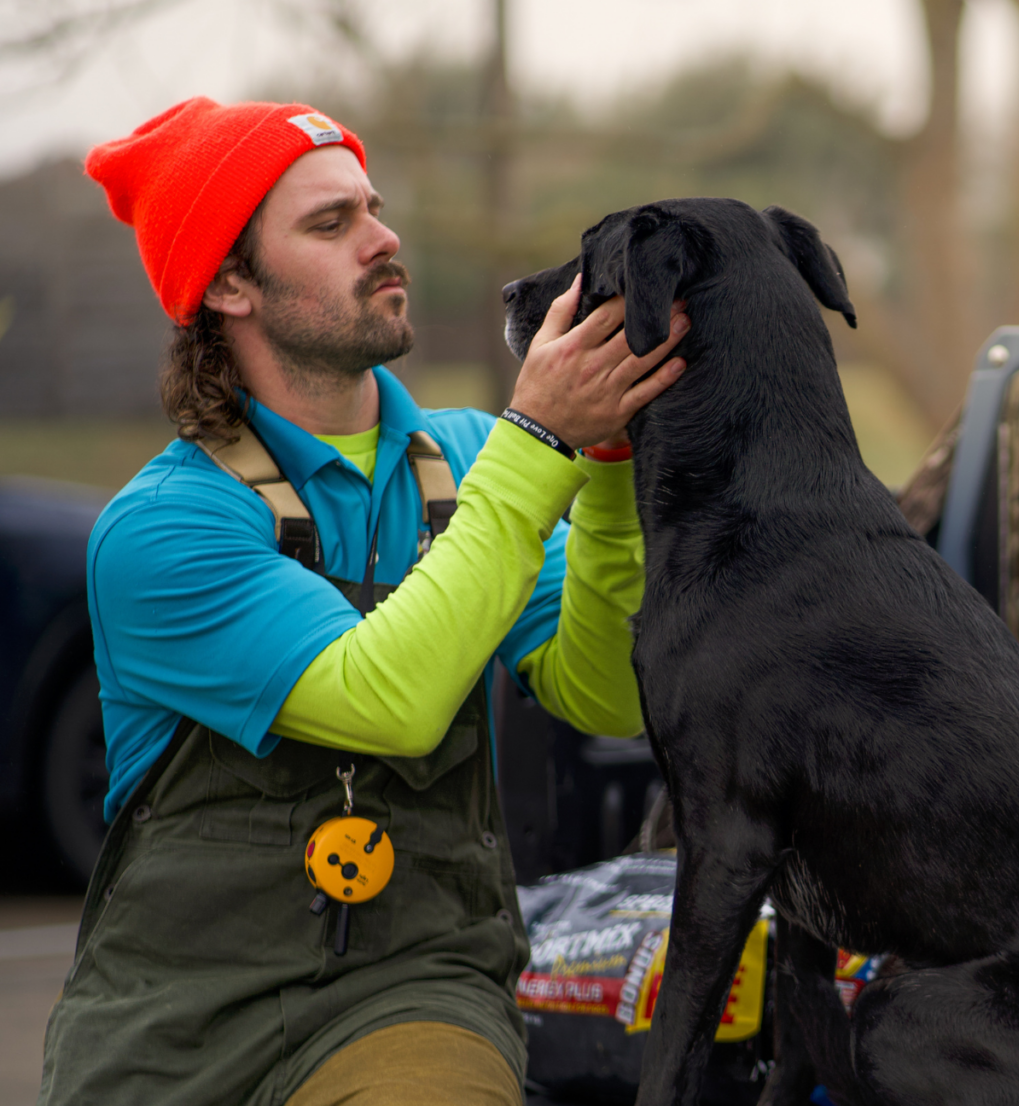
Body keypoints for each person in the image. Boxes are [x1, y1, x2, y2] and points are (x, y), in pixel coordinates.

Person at [37, 97, 687, 1106]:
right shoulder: (165, 528)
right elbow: (386, 700)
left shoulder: (477, 458)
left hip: (412, 992)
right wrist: (540, 447)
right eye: (329, 223)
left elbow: (604, 695)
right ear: (227, 284)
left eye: (372, 208)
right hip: (168, 1037)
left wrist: (601, 465)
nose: (384, 239)